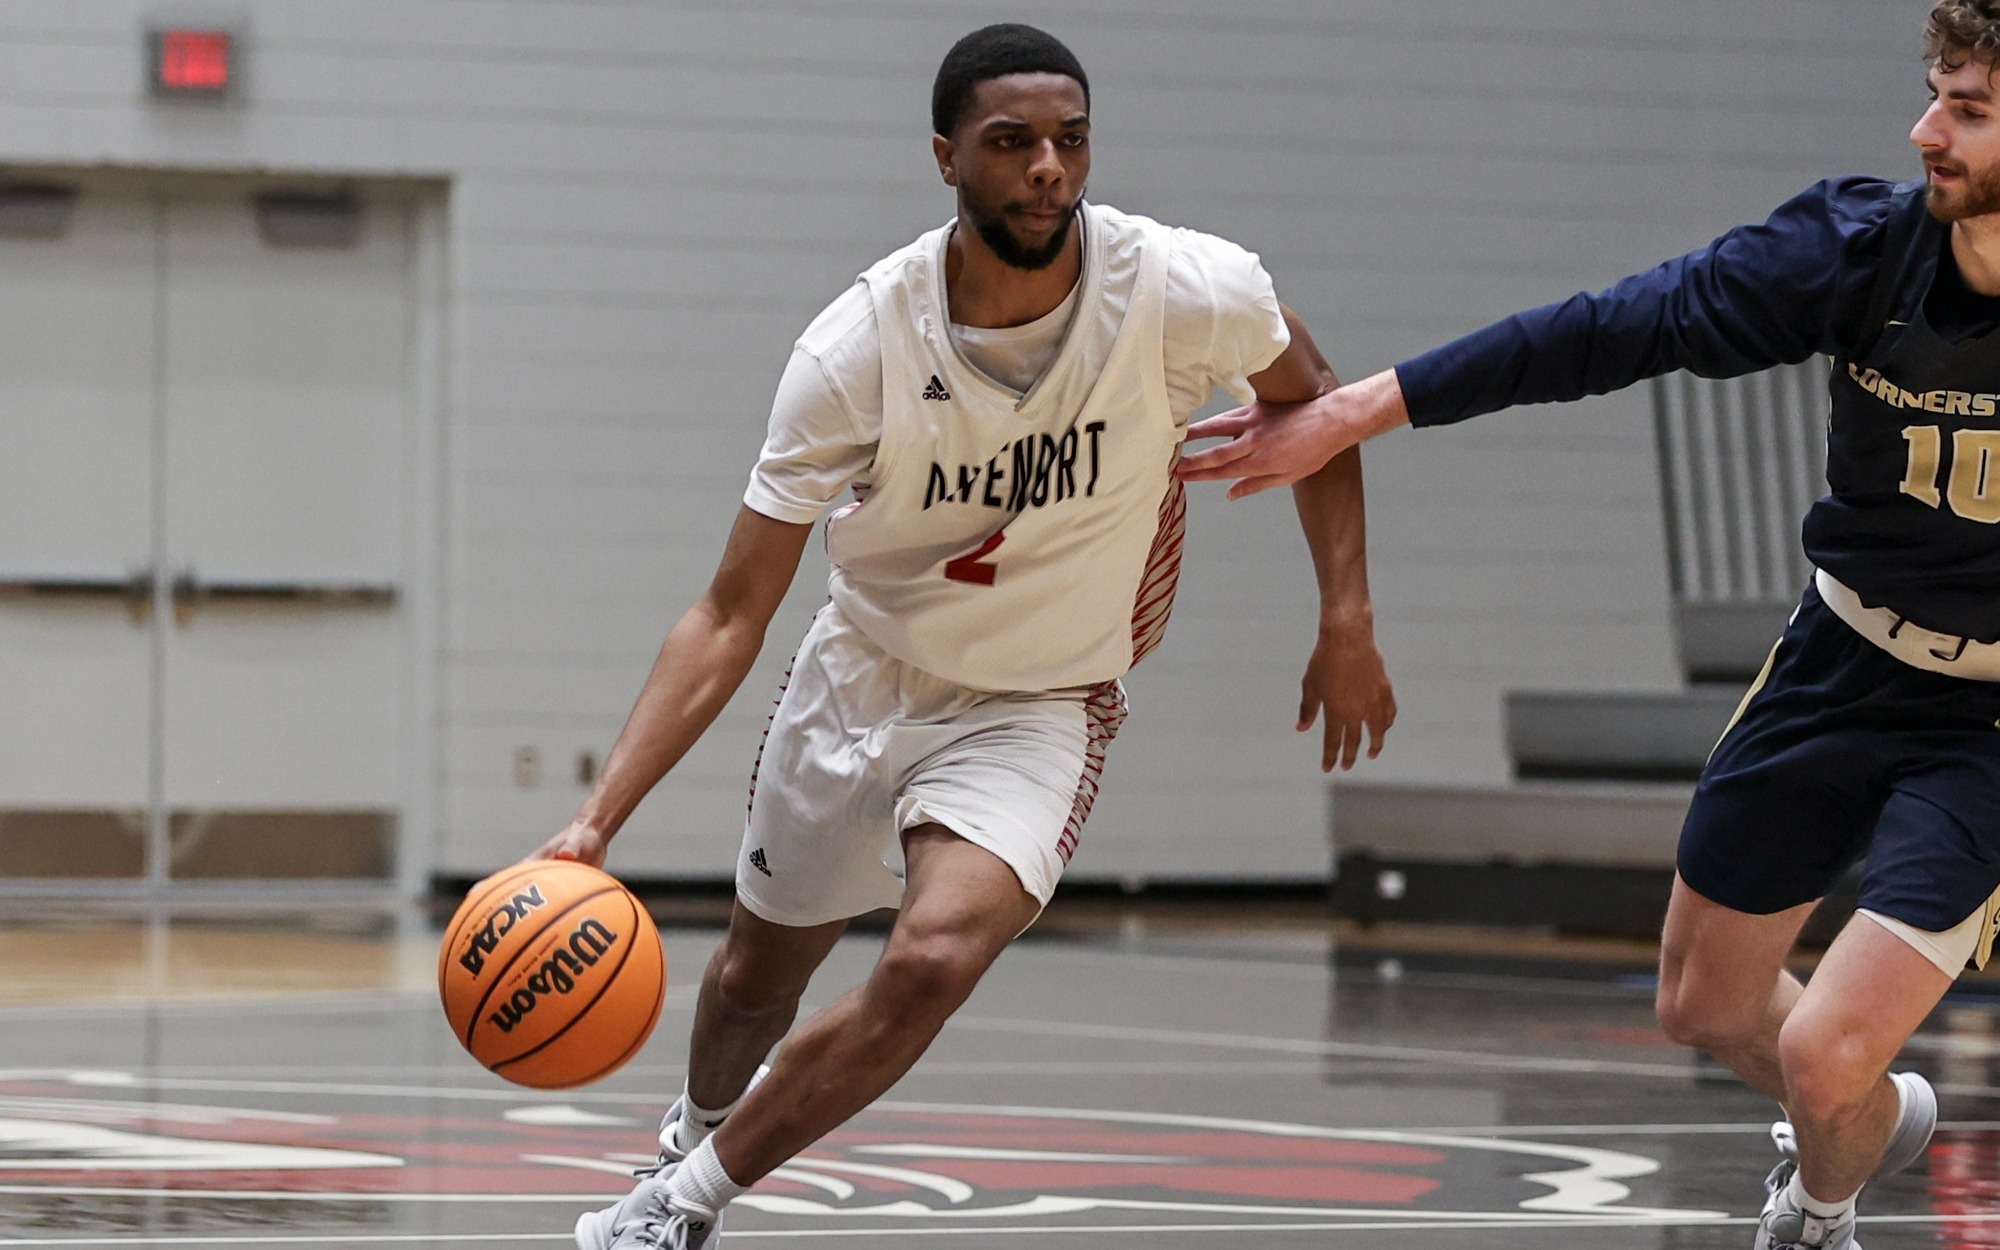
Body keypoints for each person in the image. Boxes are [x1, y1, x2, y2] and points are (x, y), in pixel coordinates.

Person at [536, 23, 1397, 1250]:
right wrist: (596, 820)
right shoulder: (856, 346)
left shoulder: (1180, 289)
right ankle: (691, 1132)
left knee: (933, 957)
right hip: (864, 670)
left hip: (1041, 699)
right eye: (1011, 143)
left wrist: (1347, 612)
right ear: (946, 158)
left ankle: (676, 1205)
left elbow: (1316, 403)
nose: (1048, 166)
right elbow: (731, 608)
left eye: (1070, 140)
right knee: (748, 984)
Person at [1175, 4, 2000, 1248]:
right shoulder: (1859, 249)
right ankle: (1867, 1114)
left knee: (1825, 1054)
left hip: (1987, 713)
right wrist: (1356, 411)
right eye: (1934, 93)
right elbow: (1620, 323)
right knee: (1703, 1002)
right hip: (1841, 650)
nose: (1923, 128)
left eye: (1969, 111)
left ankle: (1816, 1210)